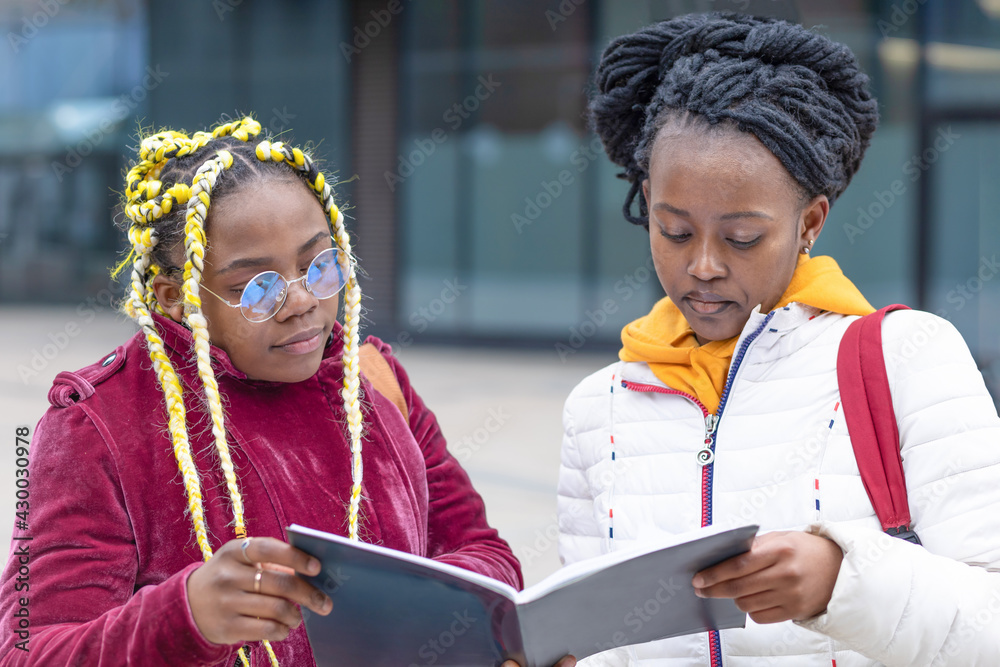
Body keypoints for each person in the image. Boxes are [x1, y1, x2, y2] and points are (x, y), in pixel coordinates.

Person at [0, 116, 554, 667]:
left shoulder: (374, 381)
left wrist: (434, 618)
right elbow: (29, 651)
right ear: (174, 296)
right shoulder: (94, 427)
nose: (302, 302)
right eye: (258, 288)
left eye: (319, 264)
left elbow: (487, 555)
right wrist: (184, 616)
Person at [558, 13, 1000, 666]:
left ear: (810, 222)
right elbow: (594, 642)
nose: (703, 264)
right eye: (674, 230)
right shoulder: (599, 409)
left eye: (741, 237)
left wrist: (843, 578)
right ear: (647, 200)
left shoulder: (907, 360)